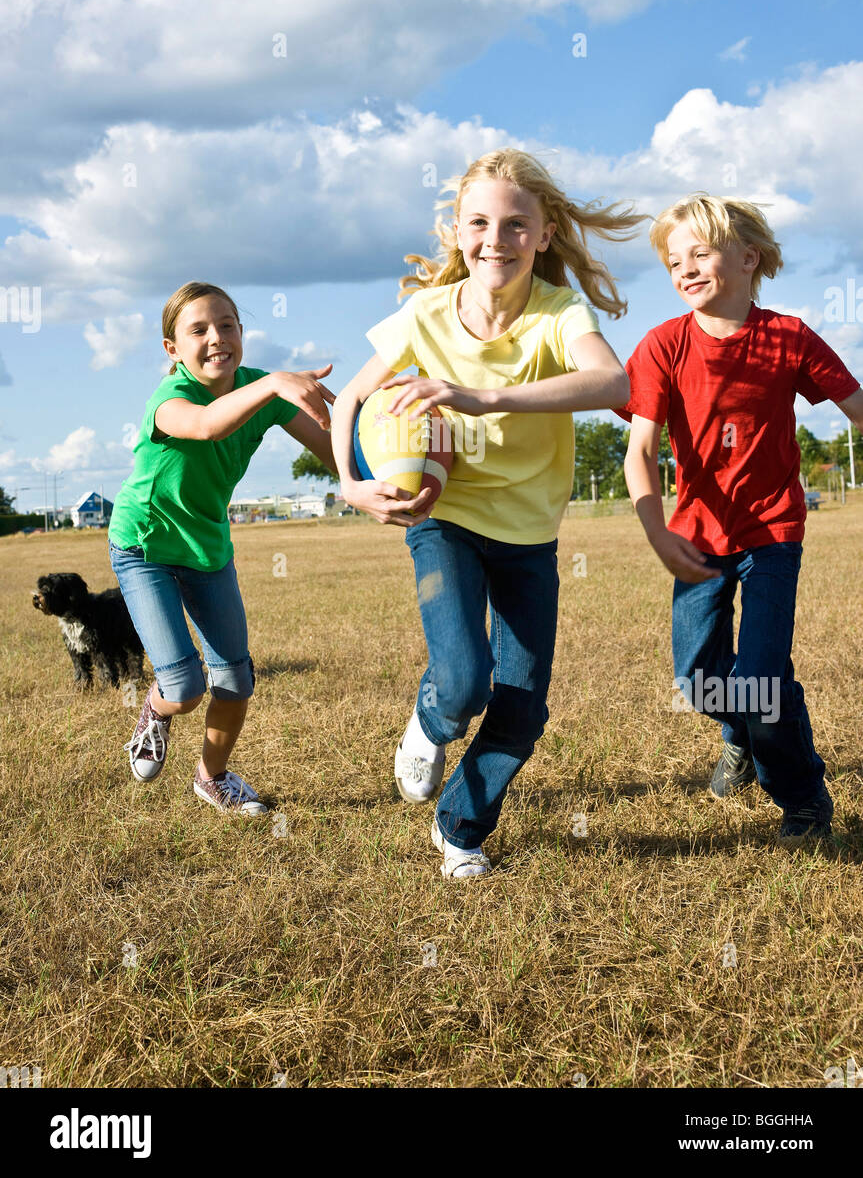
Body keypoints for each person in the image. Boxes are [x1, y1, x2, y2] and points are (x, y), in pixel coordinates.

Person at [332, 148, 641, 877]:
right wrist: (350, 482)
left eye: (513, 225)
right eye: (478, 223)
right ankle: (431, 722)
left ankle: (460, 829)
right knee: (464, 681)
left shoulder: (559, 313)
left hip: (529, 532)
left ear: (543, 232)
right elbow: (348, 399)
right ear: (457, 233)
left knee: (523, 707)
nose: (493, 240)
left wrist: (481, 396)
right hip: (446, 518)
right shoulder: (426, 312)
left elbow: (609, 381)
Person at [622, 194, 863, 846]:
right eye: (675, 260)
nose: (685, 268)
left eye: (699, 253)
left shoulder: (788, 337)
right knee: (699, 684)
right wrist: (656, 531)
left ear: (747, 257)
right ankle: (741, 737)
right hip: (694, 536)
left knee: (758, 674)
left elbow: (855, 406)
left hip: (772, 531)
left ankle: (804, 800)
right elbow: (638, 451)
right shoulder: (661, 346)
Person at [108, 281, 337, 816]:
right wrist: (277, 383)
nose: (217, 338)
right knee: (185, 687)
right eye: (199, 330)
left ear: (242, 332)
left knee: (235, 679)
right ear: (173, 349)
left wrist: (385, 477)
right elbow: (208, 426)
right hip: (145, 547)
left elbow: (333, 449)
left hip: (208, 548)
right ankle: (155, 711)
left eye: (228, 325)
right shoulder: (171, 400)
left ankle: (211, 778)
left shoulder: (262, 390)